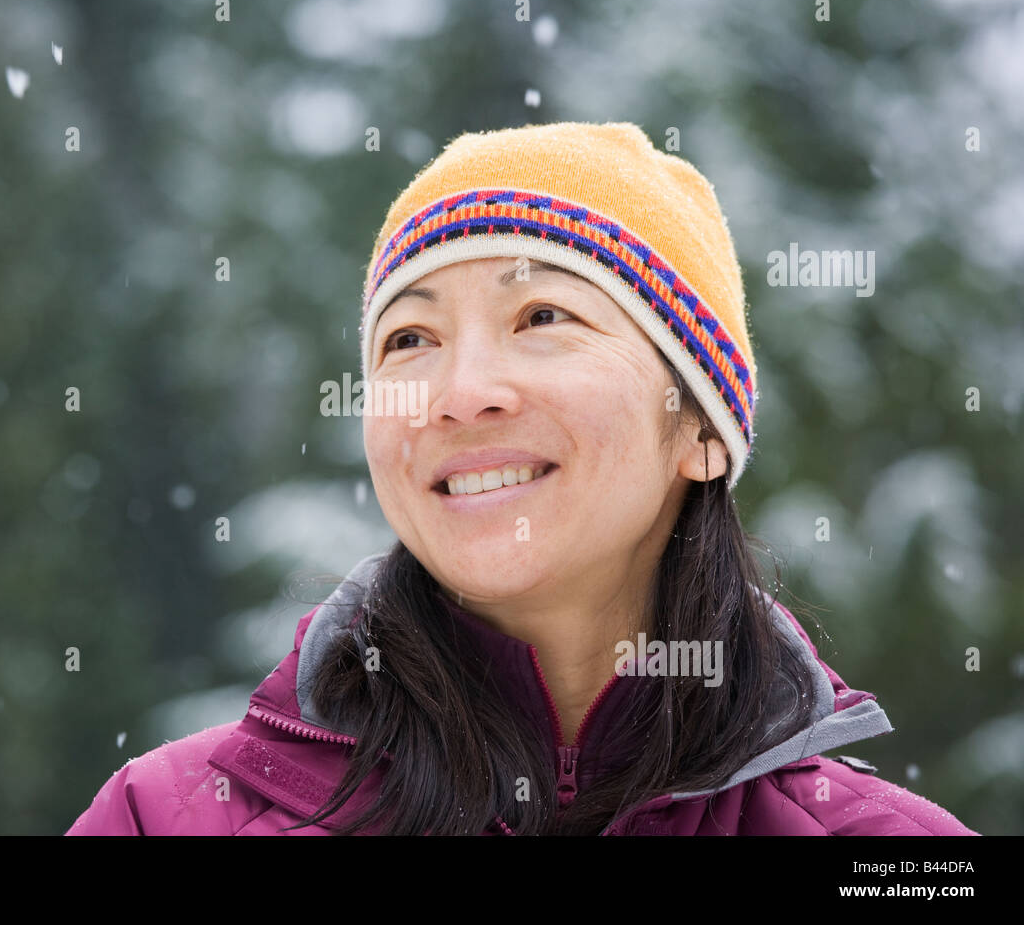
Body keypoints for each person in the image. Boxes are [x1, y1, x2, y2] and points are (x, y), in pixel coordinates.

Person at [65, 122, 977, 835]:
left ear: (699, 428)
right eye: (410, 339)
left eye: (541, 313)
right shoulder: (163, 819)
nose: (460, 395)